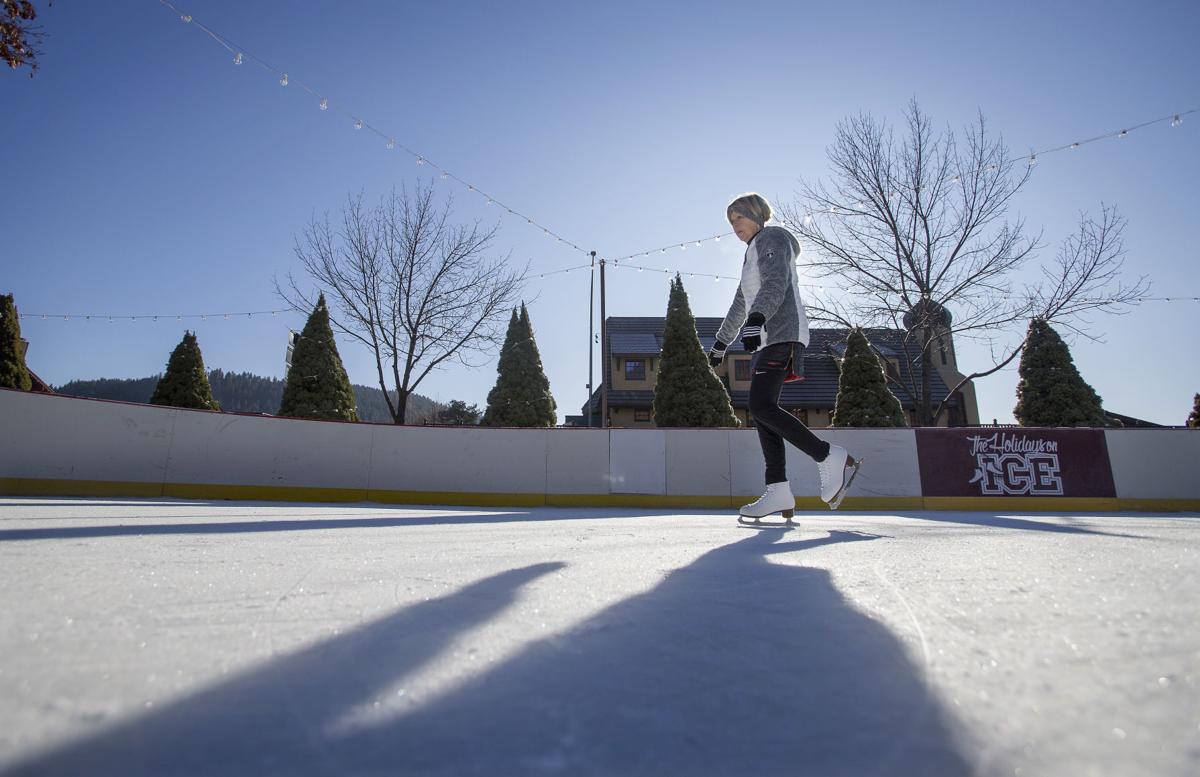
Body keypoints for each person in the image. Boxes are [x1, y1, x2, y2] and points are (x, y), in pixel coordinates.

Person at [709, 193, 860, 519]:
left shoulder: (772, 238)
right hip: (766, 340)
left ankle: (827, 455)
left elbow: (776, 282)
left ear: (755, 215)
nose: (734, 226)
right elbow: (741, 301)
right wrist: (722, 342)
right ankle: (778, 490)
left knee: (761, 406)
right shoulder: (751, 253)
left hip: (781, 332)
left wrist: (757, 319)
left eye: (739, 217)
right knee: (763, 412)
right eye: (731, 221)